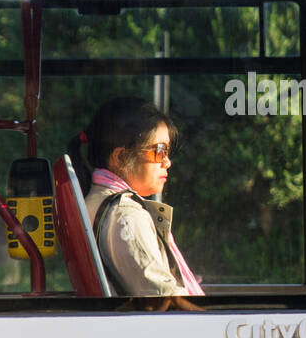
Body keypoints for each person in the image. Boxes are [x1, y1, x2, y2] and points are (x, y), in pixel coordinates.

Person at [65, 97, 204, 301]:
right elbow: (165, 301)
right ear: (120, 157)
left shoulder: (101, 202)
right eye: (159, 151)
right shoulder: (126, 216)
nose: (167, 162)